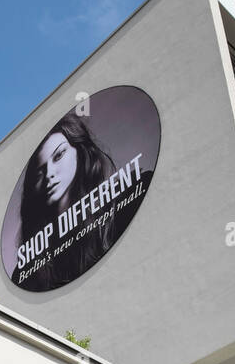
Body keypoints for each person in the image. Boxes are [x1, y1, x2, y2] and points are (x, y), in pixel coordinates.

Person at [10, 113, 152, 292]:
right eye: (40, 170)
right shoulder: (26, 271)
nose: (49, 174)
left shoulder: (127, 200)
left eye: (59, 155)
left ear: (79, 151)